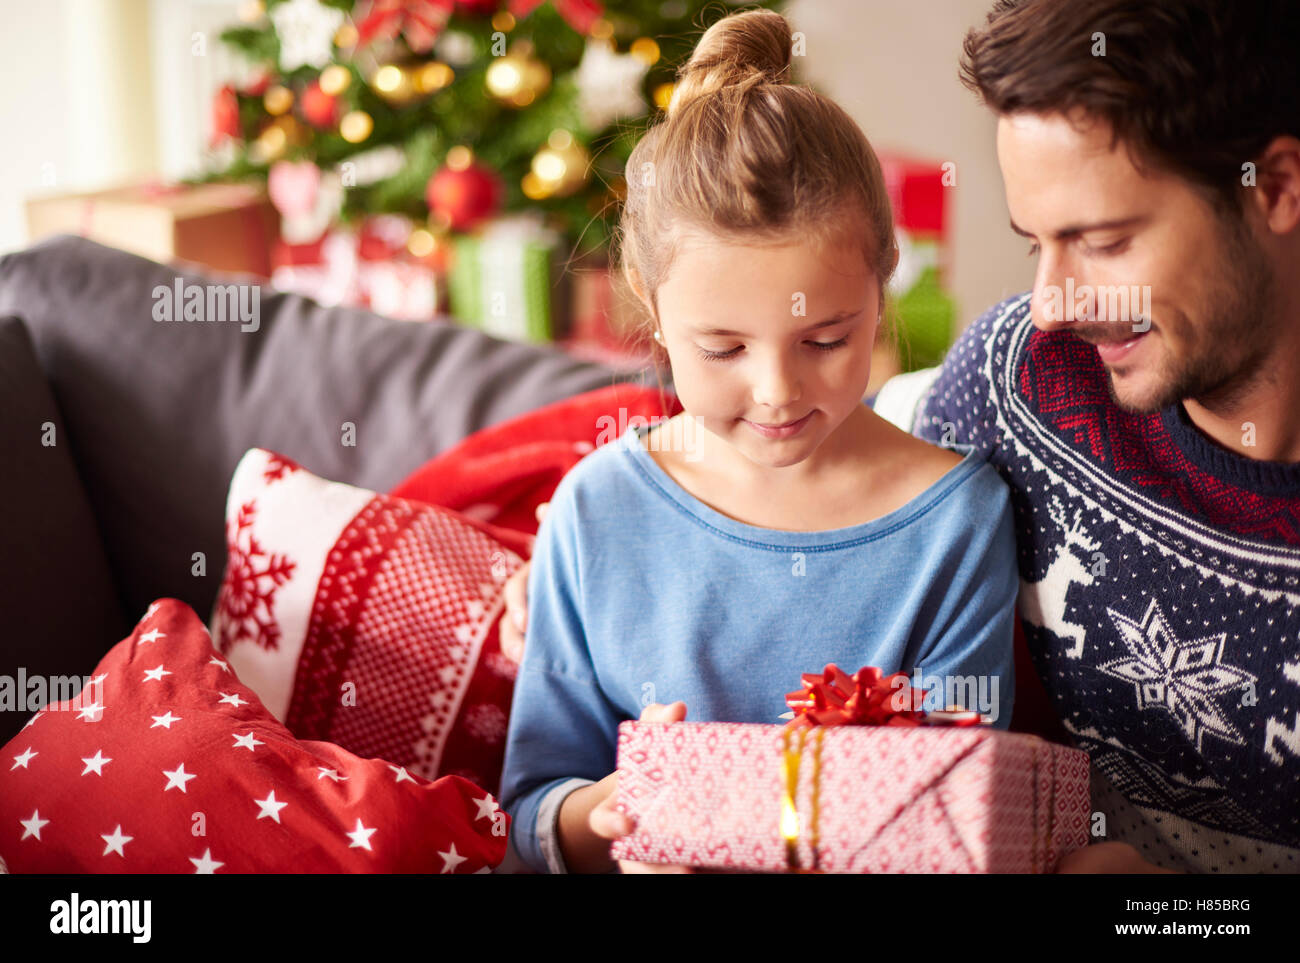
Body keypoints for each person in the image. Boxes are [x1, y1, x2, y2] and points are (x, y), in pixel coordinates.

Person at [505, 0, 1300, 875]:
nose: (1050, 305)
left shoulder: (955, 514)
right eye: (1031, 243)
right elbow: (789, 451)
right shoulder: (1019, 380)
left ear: (1276, 188)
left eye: (1103, 241)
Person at [497, 8, 1019, 875]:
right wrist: (614, 814)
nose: (779, 391)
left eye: (826, 340)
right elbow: (533, 807)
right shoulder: (595, 511)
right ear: (647, 300)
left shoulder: (957, 520)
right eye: (723, 349)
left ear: (884, 276)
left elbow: (959, 809)